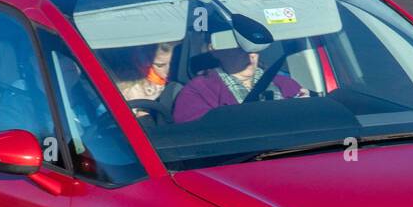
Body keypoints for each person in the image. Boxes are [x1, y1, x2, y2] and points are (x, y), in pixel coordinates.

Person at [173, 36, 308, 123]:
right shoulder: (198, 92)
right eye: (241, 48)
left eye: (255, 48)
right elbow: (195, 139)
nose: (251, 55)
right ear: (215, 50)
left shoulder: (286, 84)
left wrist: (308, 107)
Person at [102, 42, 178, 114]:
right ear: (145, 61)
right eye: (160, 66)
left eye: (174, 63)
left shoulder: (178, 78)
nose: (168, 70)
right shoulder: (131, 90)